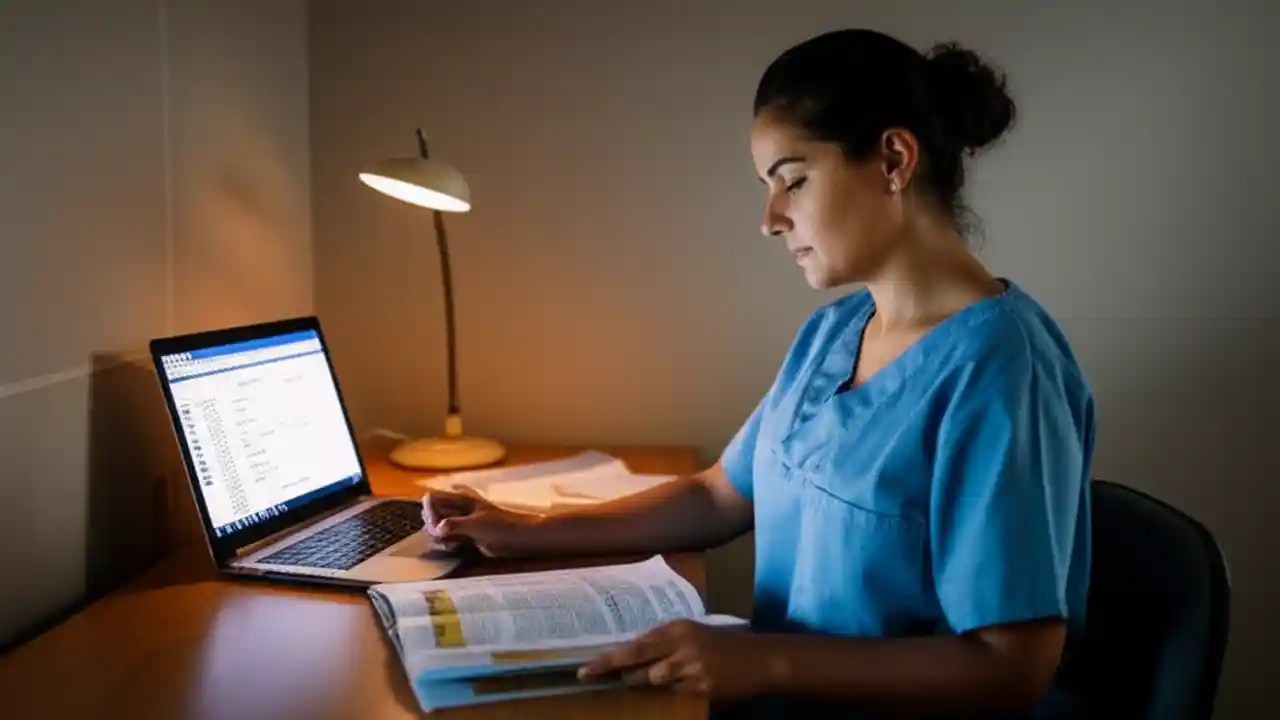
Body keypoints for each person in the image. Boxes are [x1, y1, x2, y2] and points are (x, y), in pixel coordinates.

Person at [424, 28, 1094, 718]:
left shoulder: (1004, 368)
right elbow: (721, 495)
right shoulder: (834, 332)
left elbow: (1012, 670)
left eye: (793, 181)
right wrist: (528, 528)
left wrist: (764, 658)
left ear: (893, 159)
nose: (771, 219)